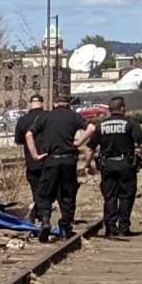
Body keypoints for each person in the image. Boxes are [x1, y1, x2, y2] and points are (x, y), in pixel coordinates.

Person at [90, 96, 142, 238]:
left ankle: (110, 228)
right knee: (126, 196)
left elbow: (89, 148)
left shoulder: (101, 125)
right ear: (122, 108)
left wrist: (88, 165)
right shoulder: (131, 124)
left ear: (110, 110)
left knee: (110, 197)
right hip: (126, 165)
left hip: (107, 165)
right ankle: (123, 227)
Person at [25, 97, 85, 238]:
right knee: (67, 194)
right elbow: (92, 127)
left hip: (51, 160)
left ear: (54, 103)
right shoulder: (73, 116)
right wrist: (79, 143)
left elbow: (28, 134)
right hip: (69, 161)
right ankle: (66, 224)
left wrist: (35, 155)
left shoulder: (45, 116)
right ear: (68, 104)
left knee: (45, 193)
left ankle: (45, 220)